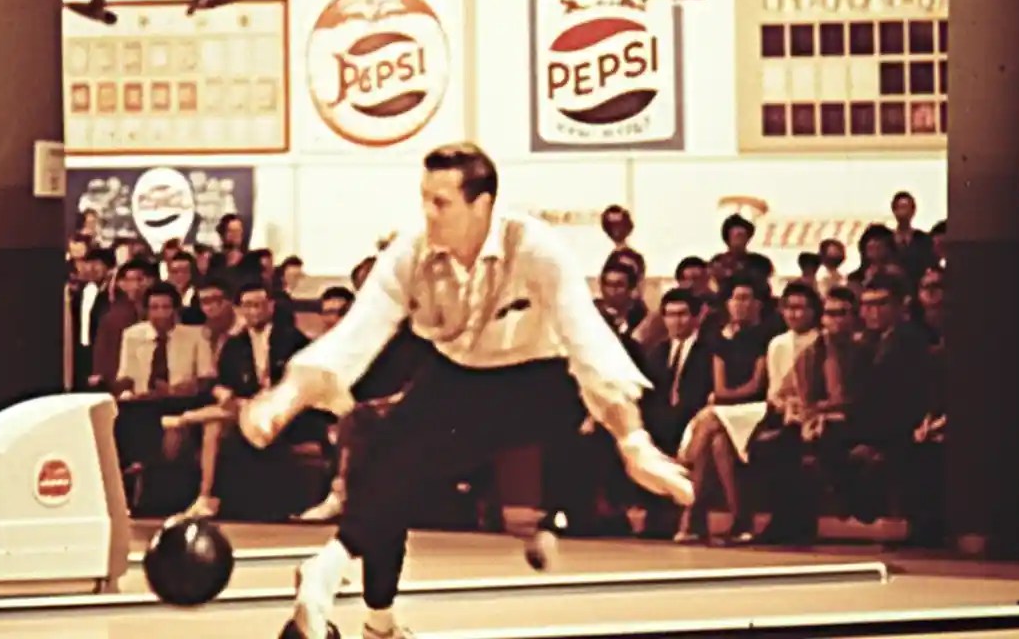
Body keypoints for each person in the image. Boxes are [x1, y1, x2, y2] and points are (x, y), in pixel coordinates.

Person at [239, 143, 695, 639]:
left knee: (577, 410)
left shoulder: (536, 248)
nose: (428, 215)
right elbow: (355, 336)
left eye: (442, 203)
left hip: (540, 380)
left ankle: (549, 516)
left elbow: (589, 344)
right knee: (387, 462)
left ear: (482, 205)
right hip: (457, 375)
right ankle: (369, 610)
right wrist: (284, 399)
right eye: (425, 199)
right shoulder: (411, 252)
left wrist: (632, 441)